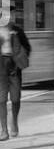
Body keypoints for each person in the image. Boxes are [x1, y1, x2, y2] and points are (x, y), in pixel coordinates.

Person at [0, 12, 32, 140]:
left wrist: (20, 59)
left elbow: (27, 47)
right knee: (1, 99)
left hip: (14, 67)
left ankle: (14, 122)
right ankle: (4, 130)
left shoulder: (17, 30)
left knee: (15, 98)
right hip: (0, 66)